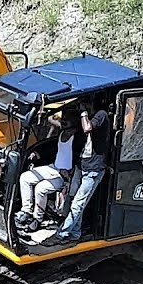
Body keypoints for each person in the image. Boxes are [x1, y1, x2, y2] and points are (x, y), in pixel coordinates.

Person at [53, 102, 110, 244]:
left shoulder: (100, 115)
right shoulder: (80, 122)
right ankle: (75, 233)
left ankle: (61, 234)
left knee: (78, 204)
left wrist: (84, 113)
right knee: (72, 199)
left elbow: (88, 128)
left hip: (94, 169)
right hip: (81, 166)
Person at [14, 112, 75, 233]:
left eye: (67, 120)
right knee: (25, 177)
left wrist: (69, 173)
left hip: (65, 175)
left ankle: (37, 219)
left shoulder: (78, 138)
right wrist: (38, 154)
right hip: (54, 168)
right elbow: (54, 149)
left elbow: (79, 158)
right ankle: (26, 211)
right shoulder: (62, 133)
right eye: (63, 120)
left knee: (40, 189)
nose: (63, 122)